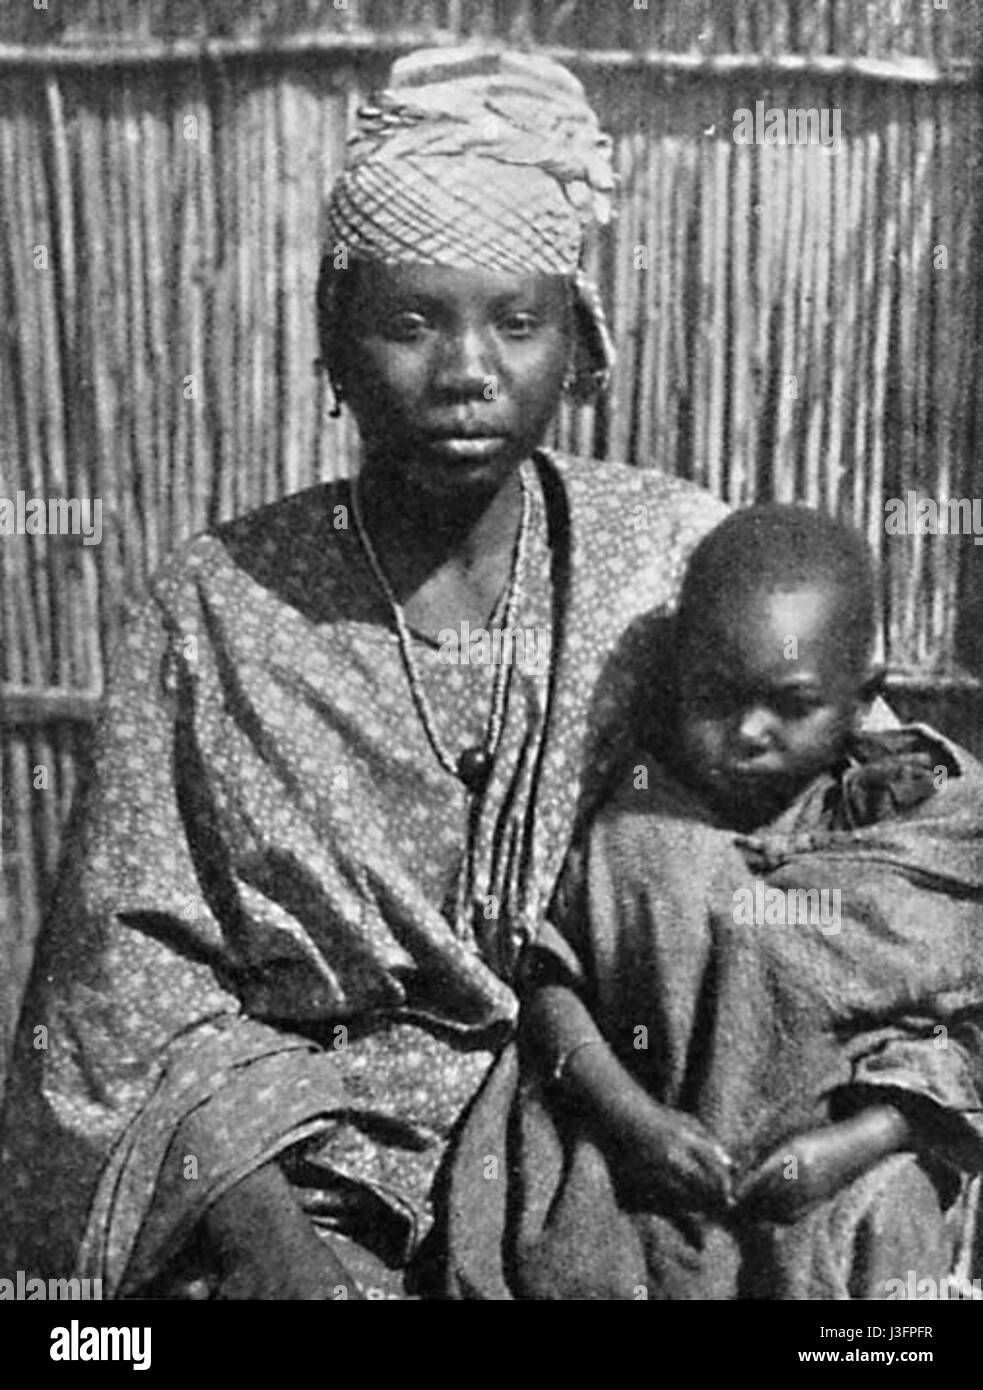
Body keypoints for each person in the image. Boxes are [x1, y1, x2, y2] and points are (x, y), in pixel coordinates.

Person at [0, 47, 729, 1300]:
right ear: (334, 346)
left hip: (613, 1143)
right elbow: (124, 995)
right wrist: (268, 1242)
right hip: (312, 1167)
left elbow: (859, 834)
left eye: (516, 320)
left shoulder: (665, 562)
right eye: (408, 320)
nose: (465, 371)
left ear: (578, 343)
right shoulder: (222, 604)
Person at [440, 505, 983, 1300]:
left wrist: (848, 1147)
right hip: (645, 1174)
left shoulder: (919, 833)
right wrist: (632, 1122)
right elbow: (554, 987)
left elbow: (960, 1032)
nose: (747, 732)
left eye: (791, 706)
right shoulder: (635, 825)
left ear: (864, 695)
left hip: (840, 1182)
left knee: (892, 1227)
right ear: (673, 679)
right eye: (714, 697)